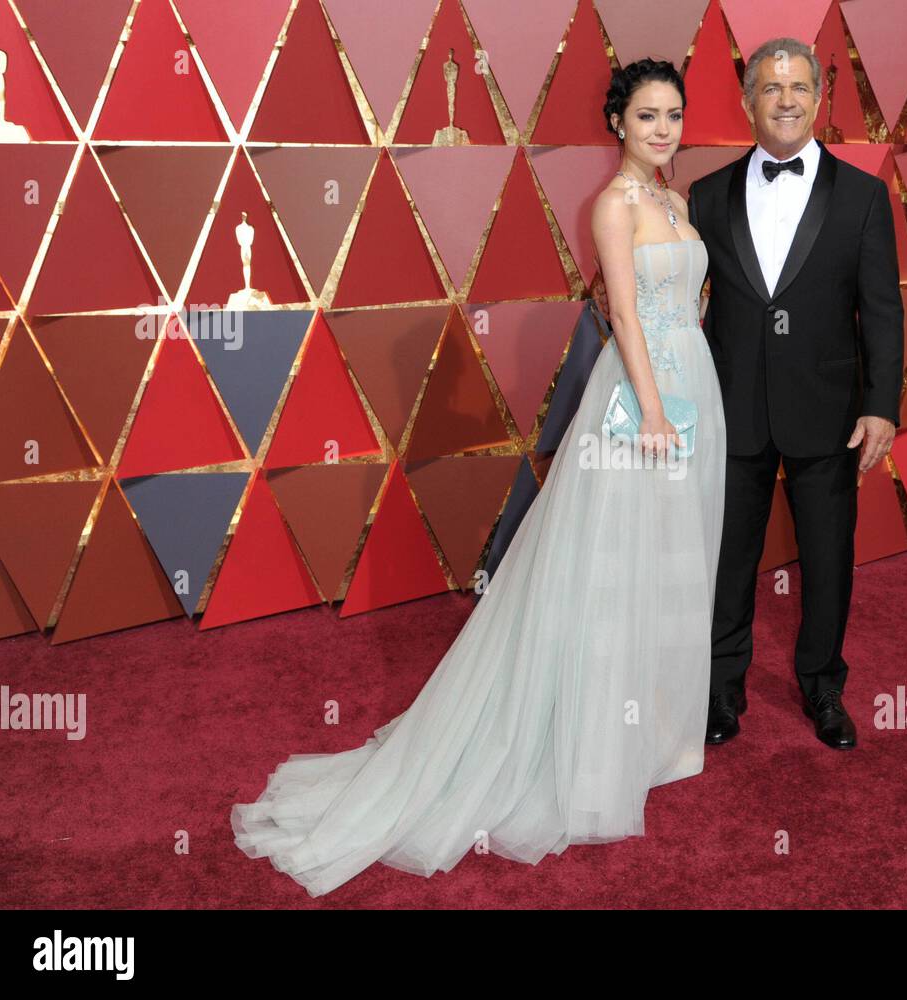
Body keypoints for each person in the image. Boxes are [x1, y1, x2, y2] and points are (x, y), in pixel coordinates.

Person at [229, 58, 725, 896]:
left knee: (673, 554)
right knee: (612, 560)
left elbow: (681, 295)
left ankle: (656, 733)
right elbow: (620, 312)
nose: (663, 130)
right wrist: (648, 408)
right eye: (647, 116)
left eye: (673, 114)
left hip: (693, 381)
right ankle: (593, 742)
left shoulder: (677, 203)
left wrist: (691, 342)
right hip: (642, 399)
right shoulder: (614, 206)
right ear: (619, 124)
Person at [689, 37, 904, 749]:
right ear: (750, 100)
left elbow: (882, 310)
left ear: (820, 99)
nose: (786, 100)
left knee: (828, 559)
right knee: (727, 562)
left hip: (830, 412)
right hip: (731, 409)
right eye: (772, 88)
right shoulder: (707, 194)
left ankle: (823, 689)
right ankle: (721, 693)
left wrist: (881, 406)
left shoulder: (866, 197)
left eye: (800, 88)